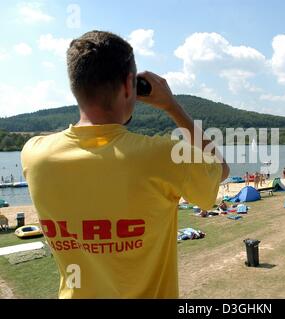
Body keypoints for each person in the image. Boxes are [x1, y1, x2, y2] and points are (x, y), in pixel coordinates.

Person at [21, 31, 229, 299]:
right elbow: (220, 168)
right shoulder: (164, 156)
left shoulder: (34, 154)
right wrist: (173, 106)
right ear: (130, 85)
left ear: (75, 86)